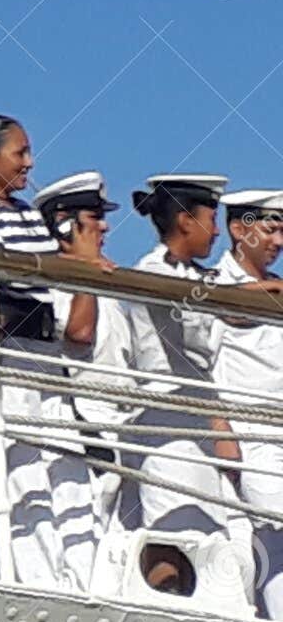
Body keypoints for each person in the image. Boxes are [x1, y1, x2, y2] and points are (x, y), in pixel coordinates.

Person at [0, 115, 107, 591]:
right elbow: (3, 266)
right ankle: (36, 579)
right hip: (2, 343)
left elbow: (46, 268)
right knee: (22, 462)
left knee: (64, 456)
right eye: (20, 153)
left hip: (41, 346)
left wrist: (76, 265)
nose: (29, 163)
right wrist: (76, 263)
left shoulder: (26, 215)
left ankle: (82, 577)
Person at [121, 174, 283, 594]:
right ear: (184, 221)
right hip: (166, 420)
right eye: (210, 220)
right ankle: (167, 606)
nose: (215, 231)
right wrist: (269, 288)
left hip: (201, 423)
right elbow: (215, 306)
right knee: (172, 535)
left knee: (222, 544)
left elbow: (224, 307)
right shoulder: (152, 270)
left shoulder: (200, 275)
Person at [34, 172, 135, 539]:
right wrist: (86, 273)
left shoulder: (102, 280)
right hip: (83, 426)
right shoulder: (50, 281)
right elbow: (79, 333)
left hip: (120, 425)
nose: (105, 227)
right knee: (80, 534)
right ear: (65, 225)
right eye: (95, 217)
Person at [209, 189, 283, 615]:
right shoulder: (215, 285)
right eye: (270, 230)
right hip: (250, 435)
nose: (278, 242)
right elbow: (202, 363)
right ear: (239, 230)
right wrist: (220, 427)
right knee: (273, 532)